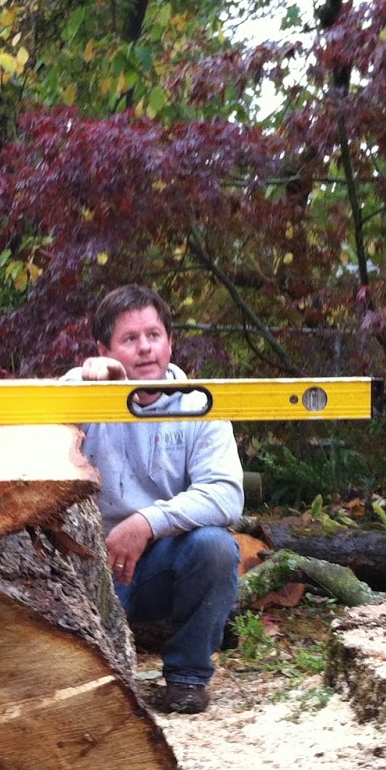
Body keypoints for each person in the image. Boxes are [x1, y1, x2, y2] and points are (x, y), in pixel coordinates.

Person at [64, 286, 243, 714]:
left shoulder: (200, 402)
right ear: (104, 349)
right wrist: (83, 382)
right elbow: (40, 429)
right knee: (93, 693)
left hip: (161, 562)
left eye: (154, 335)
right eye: (130, 339)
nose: (146, 348)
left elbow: (226, 495)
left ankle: (187, 678)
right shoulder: (83, 392)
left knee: (217, 548)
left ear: (170, 341)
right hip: (93, 564)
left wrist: (145, 523)